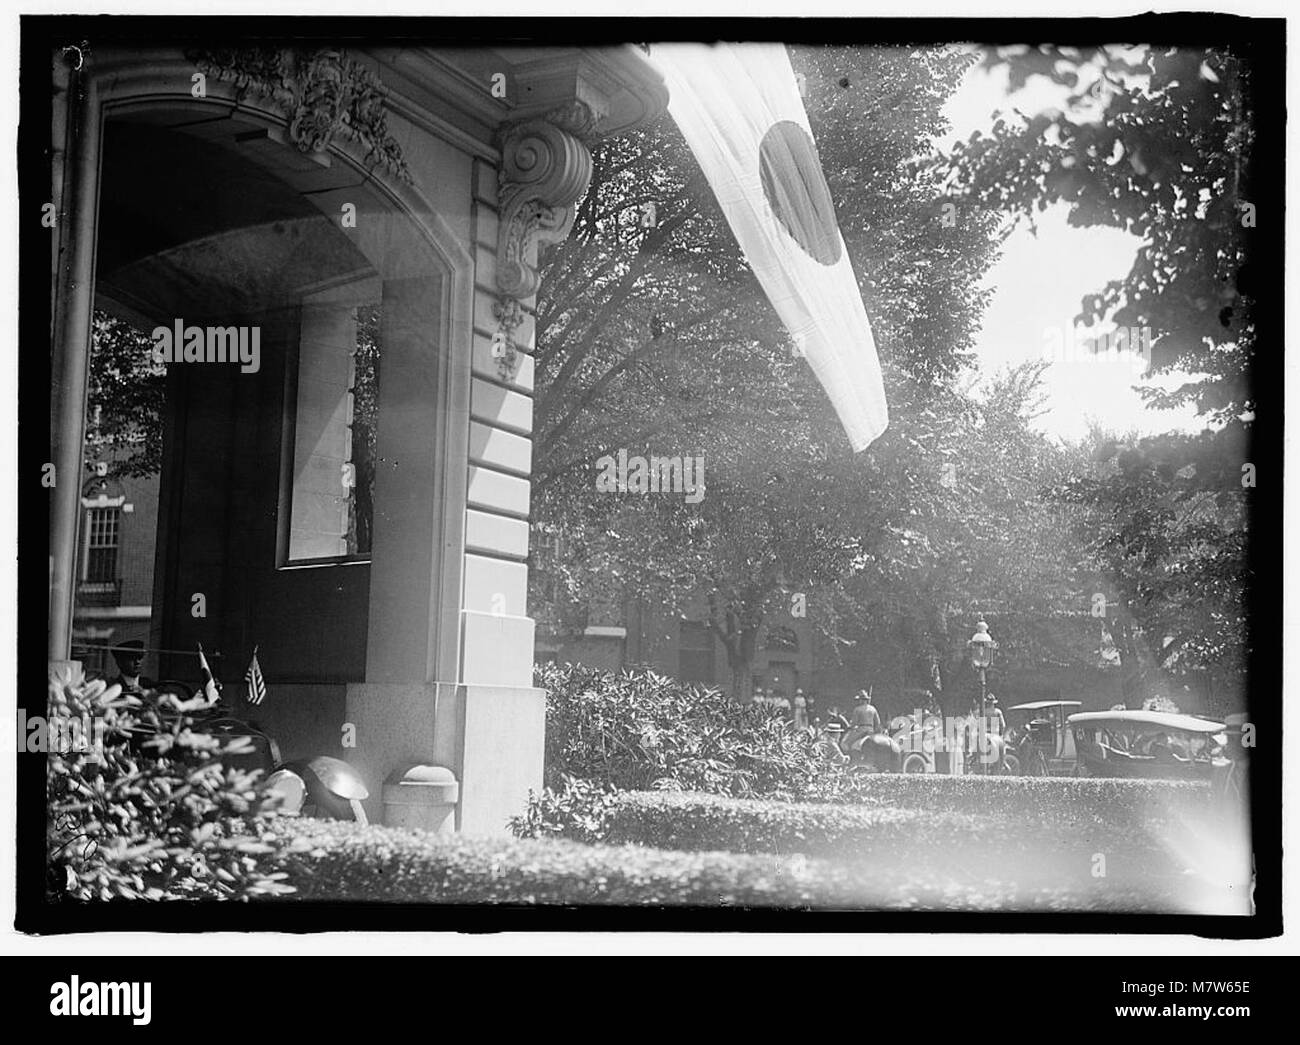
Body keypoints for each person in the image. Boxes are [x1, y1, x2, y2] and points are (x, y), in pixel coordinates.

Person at [842, 688, 881, 753]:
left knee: (846, 743)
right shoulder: (873, 709)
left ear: (862, 700)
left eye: (859, 700)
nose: (858, 701)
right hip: (871, 730)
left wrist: (850, 727)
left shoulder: (857, 709)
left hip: (861, 730)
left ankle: (848, 754)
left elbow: (854, 723)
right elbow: (878, 723)